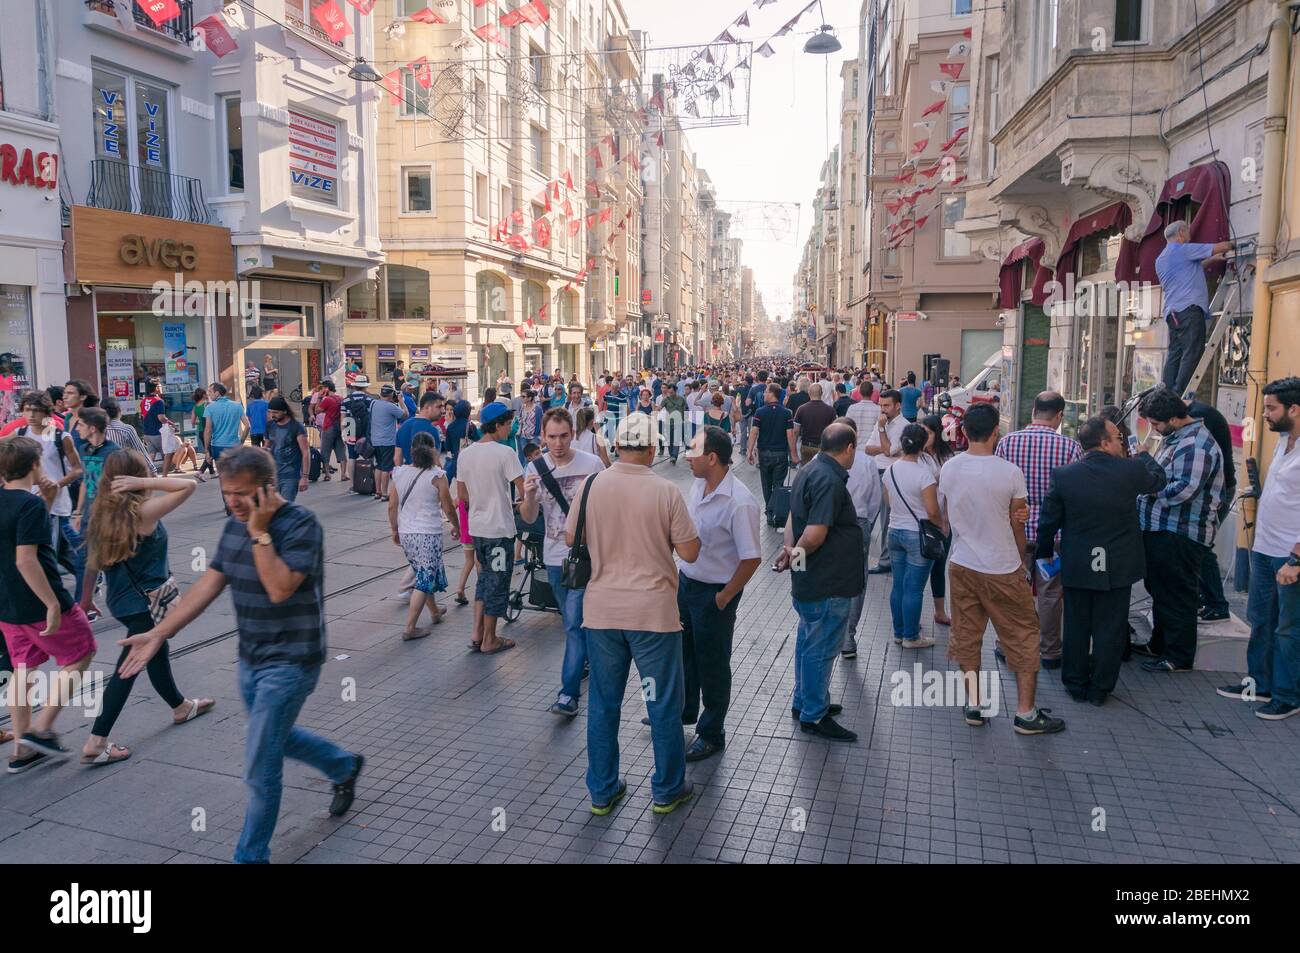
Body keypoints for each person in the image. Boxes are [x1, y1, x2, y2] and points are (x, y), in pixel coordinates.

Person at [115, 446, 363, 864]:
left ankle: (250, 857)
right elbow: (208, 585)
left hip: (291, 663)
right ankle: (343, 765)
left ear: (268, 489)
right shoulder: (236, 524)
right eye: (227, 492)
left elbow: (280, 588)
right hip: (251, 660)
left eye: (241, 494)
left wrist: (261, 531)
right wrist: (158, 633)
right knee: (276, 738)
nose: (231, 502)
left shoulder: (300, 525)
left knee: (259, 765)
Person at [565, 412, 700, 815]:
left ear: (617, 446)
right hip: (653, 617)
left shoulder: (591, 486)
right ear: (653, 448)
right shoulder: (666, 491)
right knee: (660, 704)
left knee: (604, 704)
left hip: (602, 614)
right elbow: (690, 552)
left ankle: (603, 791)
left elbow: (572, 538)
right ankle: (666, 789)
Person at [78, 451, 214, 764]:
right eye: (143, 472)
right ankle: (96, 741)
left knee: (156, 650)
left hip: (122, 600)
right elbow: (189, 486)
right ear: (134, 477)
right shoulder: (143, 513)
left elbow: (92, 563)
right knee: (129, 668)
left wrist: (86, 600)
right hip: (145, 603)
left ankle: (180, 706)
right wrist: (144, 481)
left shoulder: (102, 512)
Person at [938, 403, 1066, 735]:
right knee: (1023, 636)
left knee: (967, 635)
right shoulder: (1010, 473)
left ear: (963, 432)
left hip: (962, 564)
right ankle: (1025, 712)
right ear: (997, 431)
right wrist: (1023, 558)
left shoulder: (950, 468)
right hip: (1003, 567)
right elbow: (1017, 523)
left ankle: (974, 704)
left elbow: (945, 517)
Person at [1035, 416, 1167, 706]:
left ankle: (1075, 682)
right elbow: (1159, 480)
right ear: (1105, 443)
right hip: (1118, 562)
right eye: (1118, 438)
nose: (1122, 441)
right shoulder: (1131, 470)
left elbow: (1048, 521)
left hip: (1078, 560)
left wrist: (1043, 553)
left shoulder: (1064, 475)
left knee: (1076, 625)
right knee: (1111, 628)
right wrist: (1145, 456)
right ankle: (1101, 688)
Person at [0, 435, 97, 773]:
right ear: (35, 465)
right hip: (37, 599)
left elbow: (15, 533)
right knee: (82, 651)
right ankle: (41, 730)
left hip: (7, 603)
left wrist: (49, 498)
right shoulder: (26, 504)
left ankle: (21, 749)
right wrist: (52, 605)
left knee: (23, 669)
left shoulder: (20, 503)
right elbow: (26, 560)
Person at [674, 426, 761, 761]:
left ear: (712, 458)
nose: (687, 456)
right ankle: (684, 712)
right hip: (687, 584)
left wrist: (724, 597)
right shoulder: (698, 485)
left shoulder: (740, 502)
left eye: (693, 450)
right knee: (684, 654)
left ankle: (712, 732)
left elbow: (752, 557)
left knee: (712, 663)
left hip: (714, 593)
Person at [774, 422, 863, 741]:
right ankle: (813, 714)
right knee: (821, 649)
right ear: (849, 448)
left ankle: (806, 701)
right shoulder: (829, 480)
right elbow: (814, 534)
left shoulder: (809, 470)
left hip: (812, 579)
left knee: (807, 642)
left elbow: (791, 524)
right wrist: (795, 555)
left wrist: (792, 558)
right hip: (827, 584)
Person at [1221, 377, 1300, 719]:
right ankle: (1259, 683)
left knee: (1288, 628)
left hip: (1290, 555)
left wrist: (1296, 558)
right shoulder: (1285, 441)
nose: (1264, 414)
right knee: (1261, 621)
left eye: (1271, 408)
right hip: (1266, 549)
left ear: (1294, 409)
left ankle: (1288, 695)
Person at [519, 408, 604, 716]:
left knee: (572, 625)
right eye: (552, 437)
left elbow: (605, 508)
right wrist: (528, 497)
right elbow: (529, 519)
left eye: (564, 436)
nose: (557, 444)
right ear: (543, 437)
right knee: (575, 623)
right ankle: (591, 659)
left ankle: (568, 694)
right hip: (554, 558)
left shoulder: (591, 464)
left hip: (587, 556)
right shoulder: (535, 466)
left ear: (573, 434)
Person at [1134, 388, 1226, 673]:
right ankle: (1160, 645)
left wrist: (1145, 472)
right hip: (1164, 529)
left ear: (1174, 418)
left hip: (1180, 532)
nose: (1154, 429)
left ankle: (1178, 657)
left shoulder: (1195, 445)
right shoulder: (1177, 438)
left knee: (1177, 595)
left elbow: (1181, 491)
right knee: (1161, 590)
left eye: (1157, 424)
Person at [994, 392, 1082, 669]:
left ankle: (1008, 646)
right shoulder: (1070, 448)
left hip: (1013, 532)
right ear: (1059, 416)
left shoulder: (1008, 442)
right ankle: (1050, 651)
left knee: (1011, 591)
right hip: (1052, 536)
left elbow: (998, 487)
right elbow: (1074, 494)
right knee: (1051, 594)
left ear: (1033, 410)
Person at [455, 401, 522, 654]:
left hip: (477, 529)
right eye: (508, 424)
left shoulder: (466, 453)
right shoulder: (506, 453)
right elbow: (524, 488)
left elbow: (462, 494)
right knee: (497, 584)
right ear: (498, 424)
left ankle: (477, 633)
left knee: (483, 581)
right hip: (499, 530)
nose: (510, 428)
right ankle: (490, 639)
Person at [15, 392, 85, 601]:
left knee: (47, 552)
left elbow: (77, 469)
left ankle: (53, 596)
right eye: (27, 410)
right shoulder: (20, 433)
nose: (31, 414)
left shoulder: (60, 437)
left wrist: (57, 484)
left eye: (36, 410)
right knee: (60, 550)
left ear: (46, 412)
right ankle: (87, 570)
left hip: (55, 503)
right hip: (28, 502)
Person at [1154, 221, 1236, 396]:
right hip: (1189, 310)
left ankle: (1168, 390)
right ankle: (1179, 392)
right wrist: (1233, 244)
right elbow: (1219, 246)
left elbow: (1191, 268)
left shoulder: (1162, 258)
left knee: (1175, 352)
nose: (1190, 235)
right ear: (1181, 233)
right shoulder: (1183, 250)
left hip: (1173, 312)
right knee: (1193, 350)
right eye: (1188, 231)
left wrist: (1212, 260)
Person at [388, 432, 456, 641]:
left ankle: (435, 612)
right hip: (428, 533)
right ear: (433, 449)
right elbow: (448, 507)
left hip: (408, 533)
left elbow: (392, 506)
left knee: (423, 573)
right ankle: (410, 627)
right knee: (424, 579)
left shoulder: (399, 473)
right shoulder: (437, 476)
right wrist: (458, 527)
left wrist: (395, 530)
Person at [884, 424, 946, 649]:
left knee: (899, 585)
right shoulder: (924, 474)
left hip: (894, 531)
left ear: (902, 442)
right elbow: (932, 511)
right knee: (914, 588)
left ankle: (899, 632)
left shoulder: (890, 470)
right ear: (922, 446)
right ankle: (911, 636)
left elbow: (888, 501)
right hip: (917, 536)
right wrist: (941, 526)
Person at [1186, 397, 1238, 622]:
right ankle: (1203, 599)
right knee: (1199, 545)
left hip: (1217, 490)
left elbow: (1198, 459)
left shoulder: (1199, 418)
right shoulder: (1196, 413)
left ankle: (1217, 604)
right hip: (1216, 487)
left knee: (1202, 545)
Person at [840, 417, 883, 660]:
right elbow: (875, 500)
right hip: (860, 522)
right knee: (858, 578)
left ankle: (835, 629)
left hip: (831, 523)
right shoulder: (867, 462)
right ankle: (849, 635)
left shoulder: (819, 460)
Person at [865, 389, 907, 573]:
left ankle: (885, 560)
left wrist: (882, 432)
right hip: (876, 470)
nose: (882, 409)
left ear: (898, 406)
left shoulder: (903, 426)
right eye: (881, 405)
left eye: (887, 405)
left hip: (891, 474)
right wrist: (885, 446)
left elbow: (890, 451)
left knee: (886, 518)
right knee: (869, 515)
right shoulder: (880, 422)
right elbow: (868, 448)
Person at [920, 414, 955, 626]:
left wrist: (947, 521)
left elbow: (952, 492)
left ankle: (939, 611)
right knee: (918, 570)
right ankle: (914, 613)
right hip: (921, 518)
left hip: (941, 519)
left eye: (929, 432)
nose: (926, 437)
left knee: (938, 567)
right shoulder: (917, 456)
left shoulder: (948, 458)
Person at [747, 383, 798, 526]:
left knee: (766, 483)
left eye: (765, 392)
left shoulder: (760, 412)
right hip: (781, 454)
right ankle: (772, 510)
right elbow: (790, 435)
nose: (763, 394)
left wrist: (749, 451)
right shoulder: (787, 413)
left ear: (772, 394)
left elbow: (754, 432)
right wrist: (794, 455)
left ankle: (769, 511)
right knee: (778, 484)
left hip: (764, 453)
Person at [264, 397, 309, 502]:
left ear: (284, 411)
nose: (272, 415)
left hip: (290, 475)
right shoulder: (270, 425)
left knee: (285, 508)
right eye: (270, 412)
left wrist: (305, 477)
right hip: (273, 475)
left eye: (275, 412)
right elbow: (267, 446)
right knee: (273, 509)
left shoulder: (296, 426)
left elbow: (305, 452)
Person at [369, 385, 408, 502]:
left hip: (375, 440)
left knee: (378, 466)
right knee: (386, 467)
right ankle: (385, 493)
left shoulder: (373, 404)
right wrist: (401, 400)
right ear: (391, 395)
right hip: (387, 441)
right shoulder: (391, 407)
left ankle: (378, 491)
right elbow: (405, 414)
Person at [102, 397, 157, 477]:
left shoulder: (98, 430)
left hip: (104, 475)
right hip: (125, 473)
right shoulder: (127, 429)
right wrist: (153, 470)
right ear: (119, 411)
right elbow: (140, 451)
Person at [395, 391, 443, 468]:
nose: (442, 411)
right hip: (426, 476)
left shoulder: (404, 425)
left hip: (409, 475)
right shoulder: (431, 430)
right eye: (439, 407)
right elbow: (435, 462)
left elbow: (397, 459)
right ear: (427, 407)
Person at [203, 383, 248, 465]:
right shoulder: (237, 406)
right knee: (234, 473)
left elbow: (208, 430)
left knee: (223, 474)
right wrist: (241, 442)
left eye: (210, 391)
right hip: (234, 445)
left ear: (217, 393)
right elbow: (248, 426)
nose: (208, 394)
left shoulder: (209, 408)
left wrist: (206, 450)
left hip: (217, 446)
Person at [794, 382, 836, 464]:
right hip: (823, 447)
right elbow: (833, 431)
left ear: (809, 393)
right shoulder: (830, 410)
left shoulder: (801, 409)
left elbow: (796, 431)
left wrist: (794, 450)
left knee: (807, 471)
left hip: (807, 446)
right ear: (822, 393)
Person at [315, 380, 348, 482]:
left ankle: (327, 475)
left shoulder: (327, 400)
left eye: (323, 388)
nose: (321, 390)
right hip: (339, 427)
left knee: (325, 450)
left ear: (327, 389)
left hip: (328, 428)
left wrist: (319, 398)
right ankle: (343, 474)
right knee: (341, 451)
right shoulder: (341, 399)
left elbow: (317, 410)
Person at [139, 380, 169, 466]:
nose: (161, 388)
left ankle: (148, 471)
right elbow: (161, 418)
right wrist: (167, 423)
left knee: (151, 454)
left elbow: (143, 416)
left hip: (147, 432)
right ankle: (166, 474)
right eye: (159, 386)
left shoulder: (144, 400)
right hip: (157, 432)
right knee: (167, 453)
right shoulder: (159, 401)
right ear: (156, 388)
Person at [659, 384, 689, 464]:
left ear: (676, 391)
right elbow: (659, 408)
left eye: (671, 392)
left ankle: (674, 456)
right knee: (670, 440)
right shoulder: (665, 400)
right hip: (668, 423)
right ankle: (671, 454)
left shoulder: (682, 399)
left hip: (679, 422)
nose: (670, 394)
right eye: (669, 392)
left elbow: (686, 410)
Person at [192, 387, 215, 475]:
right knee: (211, 453)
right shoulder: (207, 404)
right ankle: (200, 471)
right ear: (203, 395)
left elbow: (193, 422)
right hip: (209, 431)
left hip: (201, 432)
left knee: (208, 450)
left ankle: (212, 471)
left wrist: (200, 422)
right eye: (206, 393)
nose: (208, 394)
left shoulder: (195, 407)